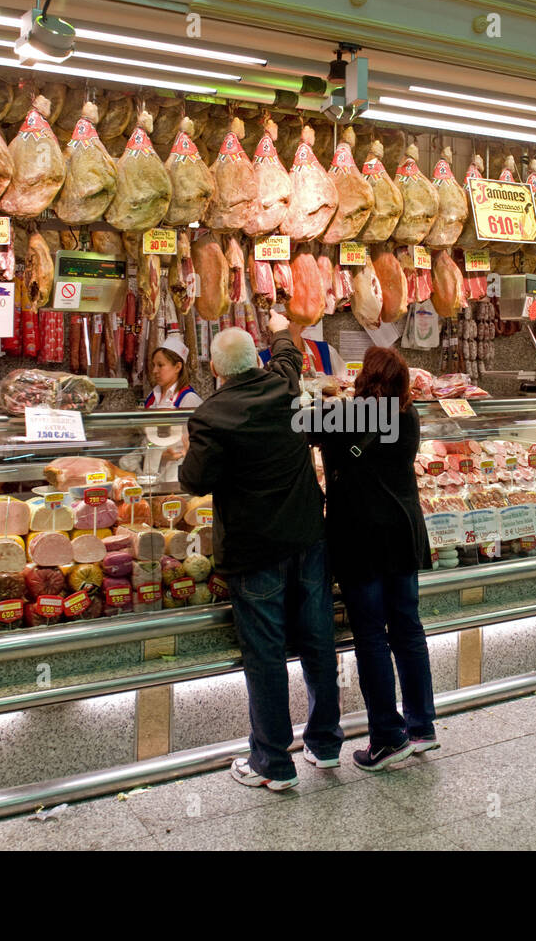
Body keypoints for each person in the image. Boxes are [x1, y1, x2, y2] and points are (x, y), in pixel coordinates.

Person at [179, 311, 342, 791]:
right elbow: (290, 354)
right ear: (259, 361)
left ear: (215, 370)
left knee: (266, 653)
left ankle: (273, 761)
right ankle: (326, 744)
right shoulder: (286, 387)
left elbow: (195, 482)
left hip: (255, 550)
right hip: (308, 537)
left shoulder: (210, 415)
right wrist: (278, 324)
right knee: (318, 641)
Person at [314, 346, 436, 771]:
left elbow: (298, 423)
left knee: (372, 636)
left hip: (360, 538)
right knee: (407, 628)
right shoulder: (409, 416)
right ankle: (421, 727)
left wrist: (325, 396)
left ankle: (387, 736)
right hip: (403, 533)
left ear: (365, 380)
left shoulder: (348, 416)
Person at [142, 335, 202, 485]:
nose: (155, 370)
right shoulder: (152, 396)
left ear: (177, 367)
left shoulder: (189, 399)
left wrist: (179, 454)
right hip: (150, 474)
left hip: (175, 477)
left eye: (160, 365)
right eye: (153, 365)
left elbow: (199, 443)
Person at [257, 322, 345, 379]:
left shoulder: (326, 351)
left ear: (303, 325)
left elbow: (344, 384)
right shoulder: (262, 360)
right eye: (275, 320)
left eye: (288, 318)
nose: (279, 326)